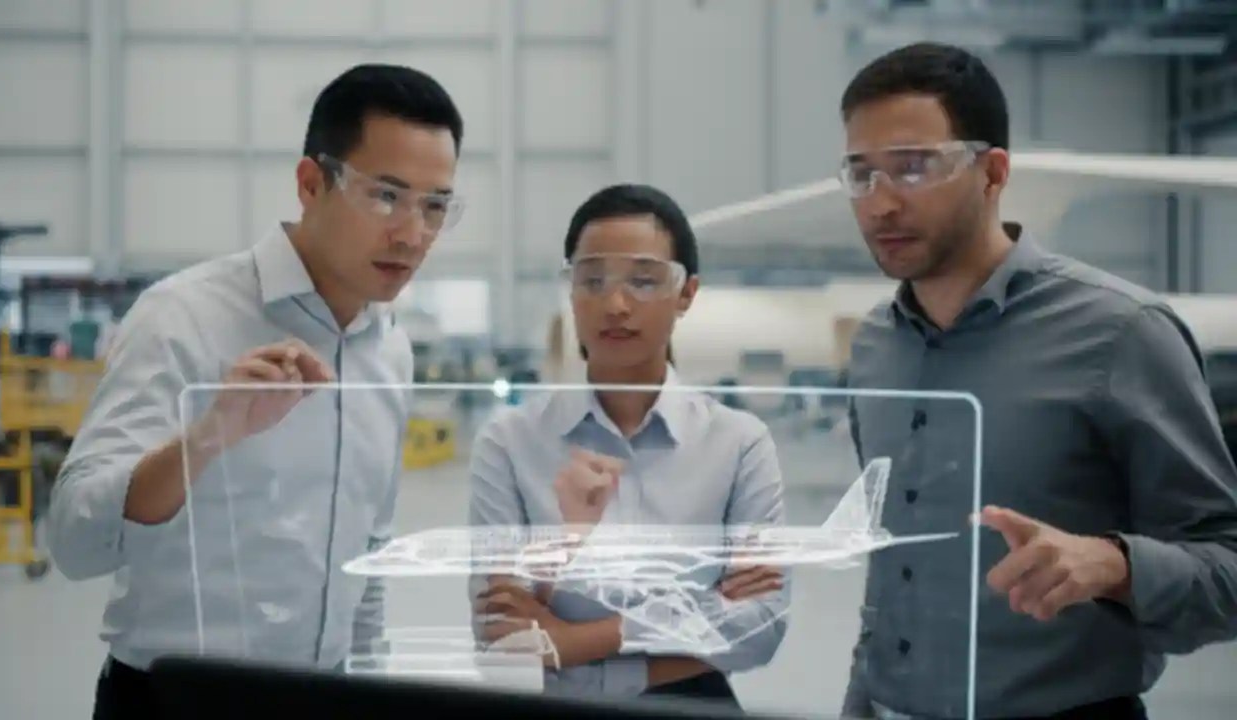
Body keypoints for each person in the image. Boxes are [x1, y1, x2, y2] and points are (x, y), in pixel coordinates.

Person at [45, 64, 467, 718]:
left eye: (435, 206)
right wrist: (207, 435)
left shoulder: (391, 350)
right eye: (386, 195)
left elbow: (368, 556)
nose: (412, 234)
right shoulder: (182, 318)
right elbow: (74, 540)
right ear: (310, 183)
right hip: (179, 701)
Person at [837, 42, 1237, 720]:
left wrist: (1116, 564)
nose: (880, 204)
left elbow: (1228, 569)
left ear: (993, 172)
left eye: (911, 168)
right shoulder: (876, 347)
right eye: (860, 174)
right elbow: (889, 581)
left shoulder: (1121, 333)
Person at [466, 184, 790, 708]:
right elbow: (502, 637)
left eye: (644, 281)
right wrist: (698, 616)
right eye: (592, 279)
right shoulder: (509, 442)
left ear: (687, 293)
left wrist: (575, 641)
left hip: (691, 703)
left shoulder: (738, 444)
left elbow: (760, 627)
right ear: (570, 290)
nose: (615, 304)